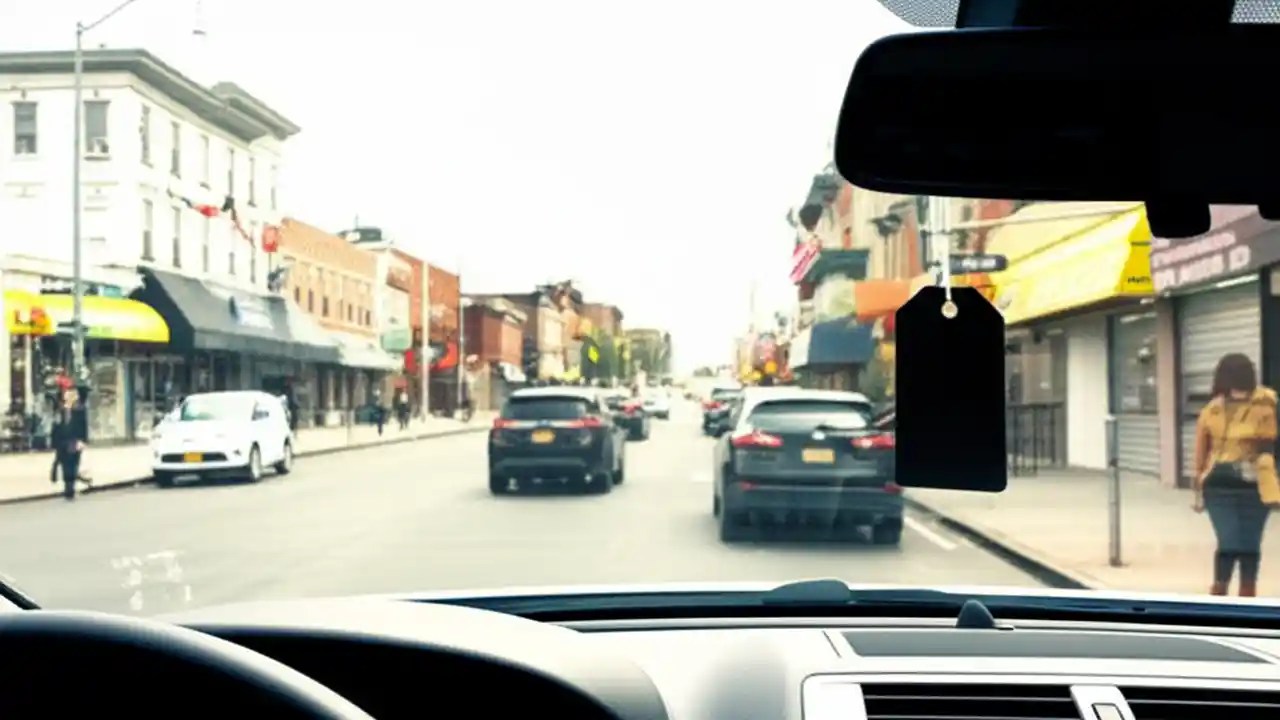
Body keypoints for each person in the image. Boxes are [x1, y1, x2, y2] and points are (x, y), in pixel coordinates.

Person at [1192, 352, 1280, 596]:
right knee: (1229, 540)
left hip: (1256, 484)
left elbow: (1272, 439)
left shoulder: (1268, 403)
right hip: (1219, 486)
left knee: (1251, 543)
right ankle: (1219, 592)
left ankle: (1247, 595)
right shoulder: (1212, 410)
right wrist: (1197, 488)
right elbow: (1201, 452)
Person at [49, 387, 88, 501]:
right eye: (68, 395)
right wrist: (54, 441)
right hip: (62, 441)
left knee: (73, 465)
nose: (71, 398)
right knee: (65, 465)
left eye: (73, 396)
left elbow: (83, 427)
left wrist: (83, 440)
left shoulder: (80, 410)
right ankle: (68, 487)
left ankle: (70, 489)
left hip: (74, 441)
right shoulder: (60, 410)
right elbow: (55, 427)